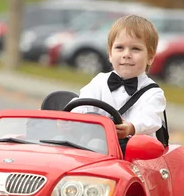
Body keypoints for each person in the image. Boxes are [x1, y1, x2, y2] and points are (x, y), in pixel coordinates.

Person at [70, 14, 167, 152]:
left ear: (150, 57)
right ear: (110, 54)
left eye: (135, 49)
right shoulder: (99, 81)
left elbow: (150, 119)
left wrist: (131, 127)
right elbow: (83, 104)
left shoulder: (153, 93)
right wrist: (70, 119)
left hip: (134, 154)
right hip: (94, 149)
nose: (126, 54)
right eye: (120, 48)